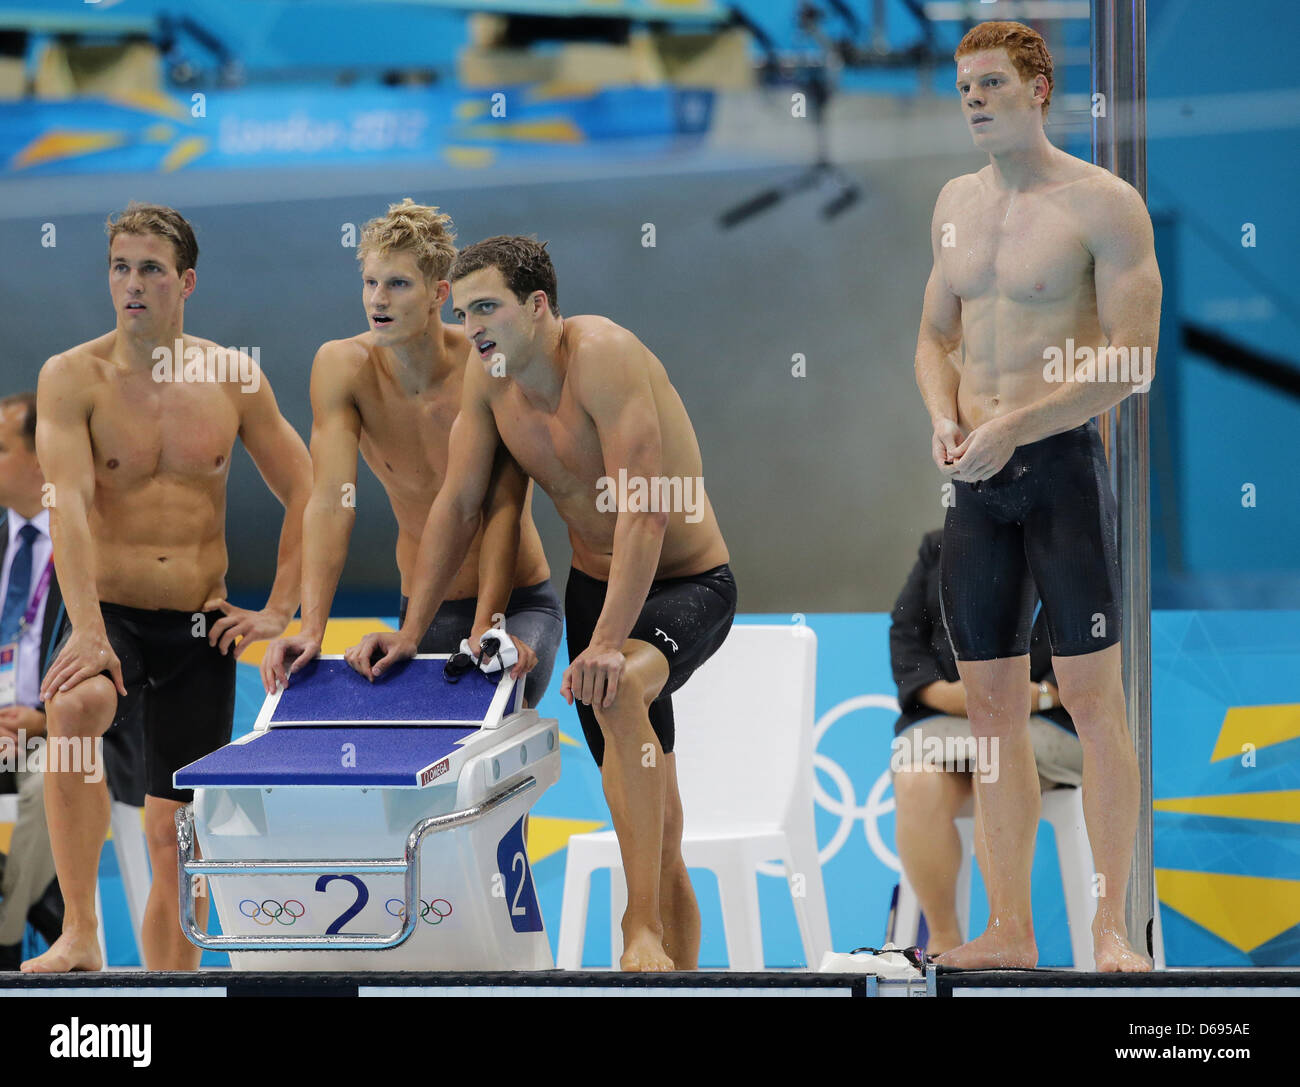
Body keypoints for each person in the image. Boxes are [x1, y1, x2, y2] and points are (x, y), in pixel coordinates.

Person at [301, 236, 736, 972]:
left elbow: (647, 513)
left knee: (619, 683)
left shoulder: (604, 354)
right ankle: (674, 965)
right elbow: (459, 503)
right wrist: (411, 630)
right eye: (465, 310)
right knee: (657, 830)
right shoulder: (490, 376)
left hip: (685, 581)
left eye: (489, 306)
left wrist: (604, 642)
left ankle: (637, 930)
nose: (473, 325)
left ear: (537, 306)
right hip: (599, 588)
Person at [914, 20, 1160, 971]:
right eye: (963, 86)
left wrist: (1020, 421)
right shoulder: (951, 204)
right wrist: (943, 414)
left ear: (1039, 88)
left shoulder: (1104, 204)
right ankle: (1010, 930)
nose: (973, 99)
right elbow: (933, 336)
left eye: (990, 84)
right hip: (974, 485)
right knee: (990, 716)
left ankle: (1111, 925)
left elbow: (1131, 360)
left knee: (1095, 710)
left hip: (1058, 472)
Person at [23, 203, 312, 973]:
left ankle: (171, 988)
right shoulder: (72, 378)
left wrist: (281, 608)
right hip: (105, 608)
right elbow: (71, 509)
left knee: (173, 831)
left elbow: (311, 490)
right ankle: (81, 930)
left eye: (151, 268)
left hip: (196, 625)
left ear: (186, 280)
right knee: (76, 704)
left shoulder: (232, 377)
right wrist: (85, 630)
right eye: (120, 267)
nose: (132, 284)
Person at [260, 200, 562, 703]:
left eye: (397, 284)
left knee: (493, 732)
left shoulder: (485, 361)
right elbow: (332, 503)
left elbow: (504, 506)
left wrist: (489, 623)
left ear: (438, 294)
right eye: (370, 283)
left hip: (518, 600)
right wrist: (311, 627)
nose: (378, 299)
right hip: (425, 606)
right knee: (416, 768)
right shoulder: (342, 367)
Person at [889, 527, 1083, 956]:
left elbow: (1098, 650)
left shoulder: (1070, 548)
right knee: (917, 779)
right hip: (951, 717)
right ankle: (941, 939)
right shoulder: (938, 546)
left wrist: (1036, 696)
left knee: (993, 763)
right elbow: (905, 634)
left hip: (1048, 717)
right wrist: (947, 695)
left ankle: (1009, 932)